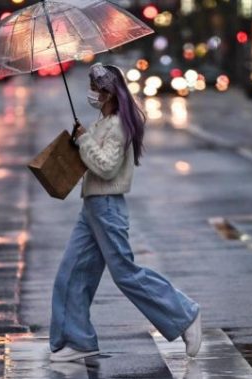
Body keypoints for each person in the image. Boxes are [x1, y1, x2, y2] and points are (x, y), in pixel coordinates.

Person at [49, 63, 201, 362]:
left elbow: (106, 167)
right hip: (92, 206)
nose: (92, 93)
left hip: (106, 206)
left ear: (108, 93)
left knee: (126, 274)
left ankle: (185, 315)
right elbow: (90, 157)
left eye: (96, 88)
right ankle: (78, 340)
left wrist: (84, 141)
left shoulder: (118, 125)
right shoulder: (102, 122)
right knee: (71, 272)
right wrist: (77, 142)